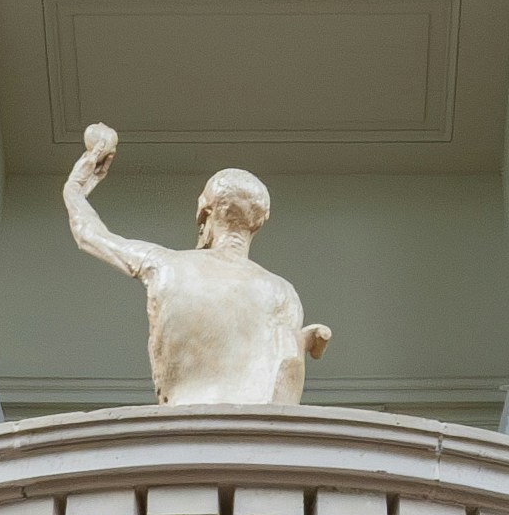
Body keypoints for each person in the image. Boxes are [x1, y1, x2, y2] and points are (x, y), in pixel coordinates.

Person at [60, 123, 331, 410]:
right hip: (252, 438)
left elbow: (89, 234)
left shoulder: (163, 264)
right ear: (258, 224)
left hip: (180, 425)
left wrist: (75, 188)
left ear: (204, 212)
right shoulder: (281, 291)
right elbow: (284, 391)